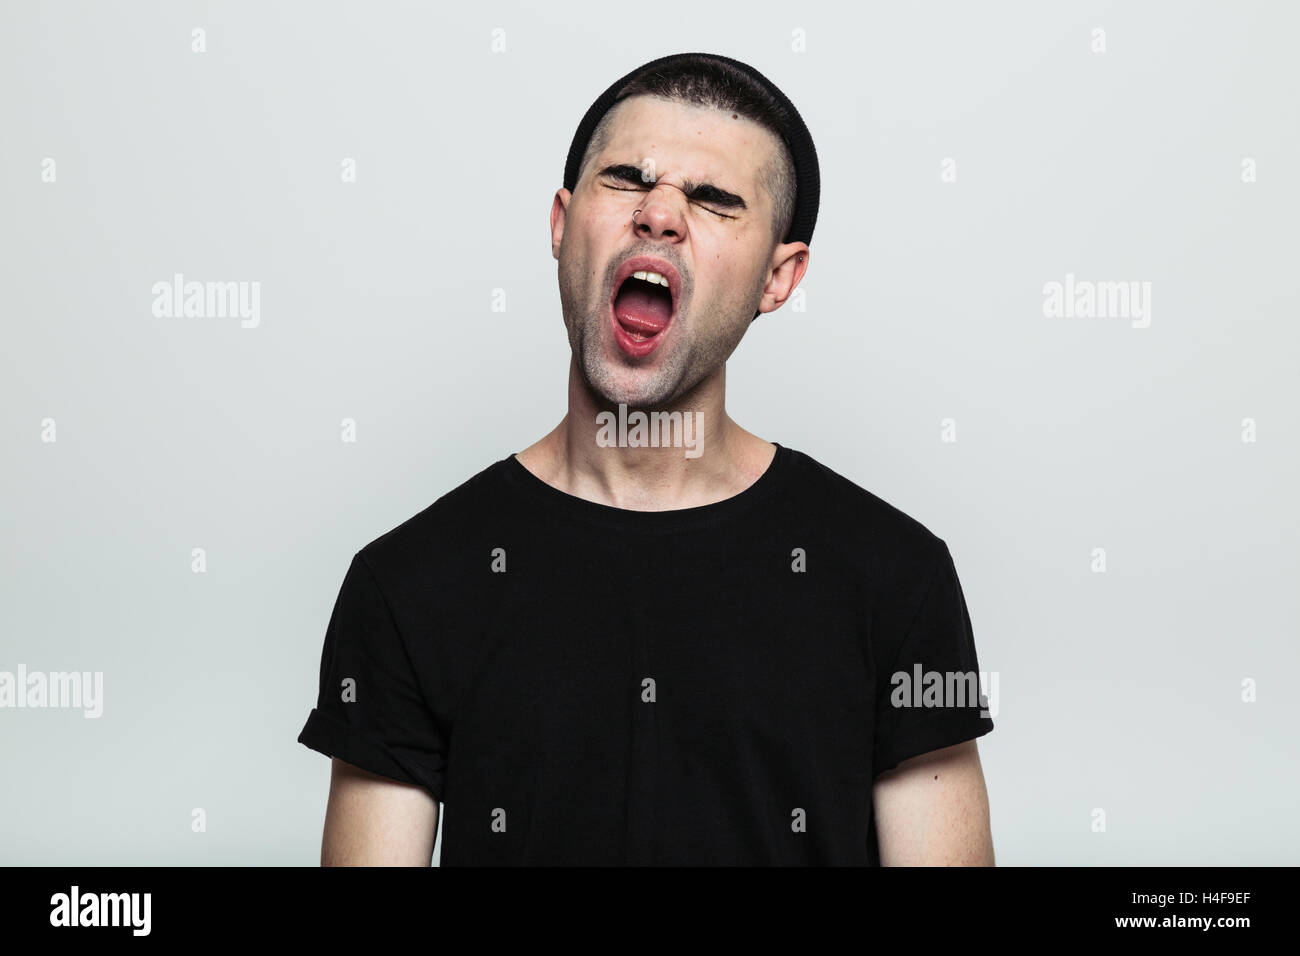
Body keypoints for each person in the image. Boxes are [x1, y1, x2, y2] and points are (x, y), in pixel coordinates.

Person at [298, 51, 995, 866]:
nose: (660, 215)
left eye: (713, 199)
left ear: (780, 276)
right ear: (561, 226)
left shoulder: (895, 581)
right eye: (627, 179)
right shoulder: (407, 585)